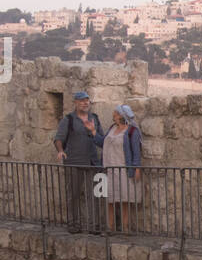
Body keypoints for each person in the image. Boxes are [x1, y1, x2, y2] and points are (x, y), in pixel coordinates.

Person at [52, 91, 105, 233]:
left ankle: (94, 226)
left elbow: (102, 140)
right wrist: (60, 150)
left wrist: (93, 130)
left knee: (95, 195)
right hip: (74, 162)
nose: (85, 103)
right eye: (82, 101)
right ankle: (73, 225)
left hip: (92, 162)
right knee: (73, 195)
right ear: (75, 103)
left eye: (87, 100)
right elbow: (58, 138)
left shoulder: (95, 118)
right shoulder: (68, 119)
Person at [103, 104, 143, 232]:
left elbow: (136, 151)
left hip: (123, 169)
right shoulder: (111, 128)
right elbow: (103, 142)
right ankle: (110, 227)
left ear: (121, 115)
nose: (113, 115)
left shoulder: (132, 131)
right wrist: (93, 132)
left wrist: (137, 168)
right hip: (109, 169)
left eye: (115, 113)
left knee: (125, 199)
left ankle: (125, 227)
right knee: (110, 199)